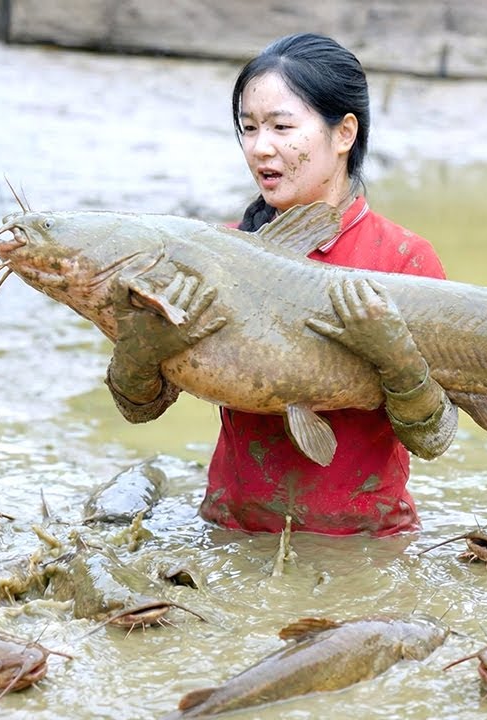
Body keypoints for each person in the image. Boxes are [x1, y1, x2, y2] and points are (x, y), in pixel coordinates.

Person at [104, 33, 457, 536]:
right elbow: (138, 409)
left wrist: (399, 361)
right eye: (248, 128)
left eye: (281, 126)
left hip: (367, 546)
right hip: (229, 534)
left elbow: (435, 438)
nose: (259, 147)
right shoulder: (213, 253)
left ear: (344, 134)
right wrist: (141, 349)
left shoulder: (403, 260)